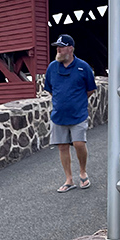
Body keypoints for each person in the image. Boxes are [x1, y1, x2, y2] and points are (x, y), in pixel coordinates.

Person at [44, 34, 96, 192]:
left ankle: (83, 172)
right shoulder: (52, 67)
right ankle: (69, 180)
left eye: (62, 47)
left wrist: (77, 101)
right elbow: (50, 89)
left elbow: (91, 89)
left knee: (79, 143)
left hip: (78, 114)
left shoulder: (83, 67)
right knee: (62, 146)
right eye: (57, 47)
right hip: (58, 115)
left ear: (71, 48)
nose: (58, 50)